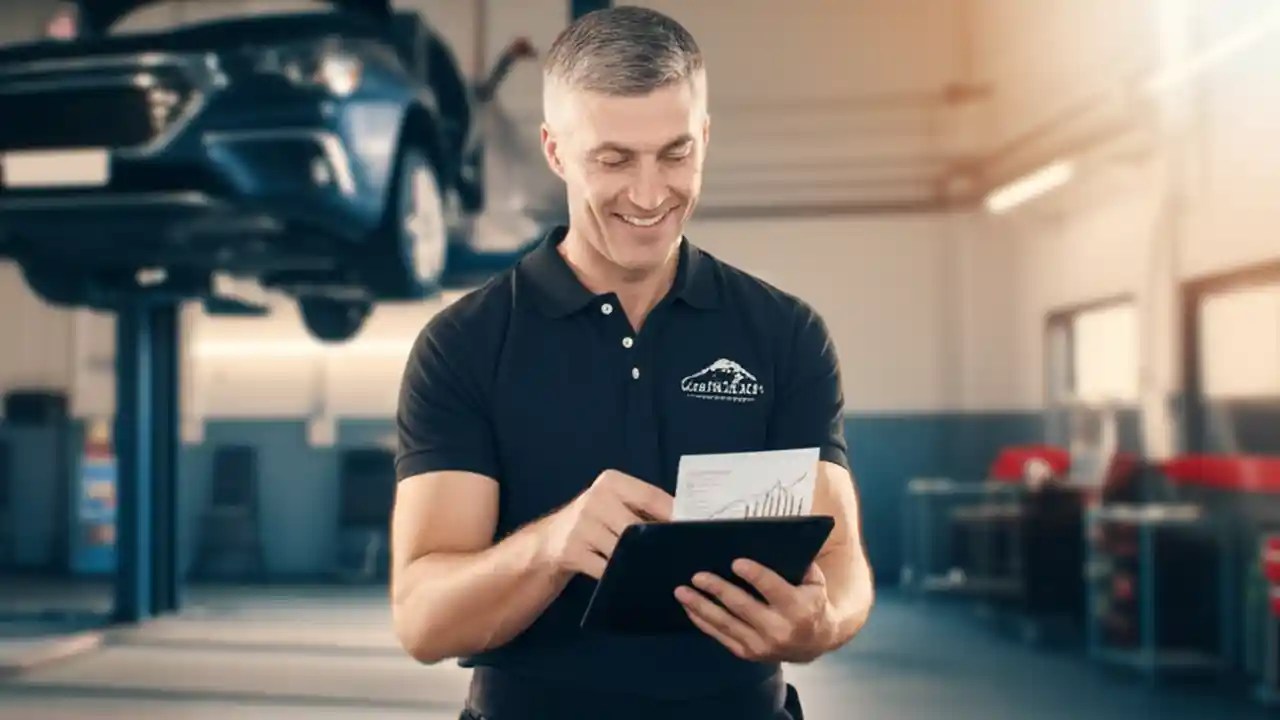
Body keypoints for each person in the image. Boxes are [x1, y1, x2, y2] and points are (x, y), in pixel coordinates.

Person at [389, 6, 874, 719]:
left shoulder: (784, 334)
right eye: (613, 160)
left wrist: (822, 623)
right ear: (556, 151)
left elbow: (842, 562)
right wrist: (551, 546)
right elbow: (423, 621)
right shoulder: (465, 344)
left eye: (675, 154)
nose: (649, 195)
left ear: (704, 138)